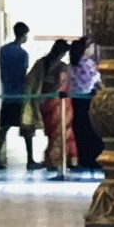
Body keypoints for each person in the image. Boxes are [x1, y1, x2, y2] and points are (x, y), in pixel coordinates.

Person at [0, 19, 37, 173]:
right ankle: (30, 159)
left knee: (4, 127)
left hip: (8, 93)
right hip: (20, 94)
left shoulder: (3, 50)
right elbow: (23, 73)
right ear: (23, 35)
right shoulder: (23, 54)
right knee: (27, 128)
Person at [66, 35, 103, 174]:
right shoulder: (87, 64)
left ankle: (82, 158)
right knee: (91, 130)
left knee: (79, 130)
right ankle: (92, 159)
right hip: (88, 100)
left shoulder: (72, 63)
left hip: (75, 100)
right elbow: (96, 82)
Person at [35, 37, 72, 172]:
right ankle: (56, 159)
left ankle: (51, 159)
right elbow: (60, 84)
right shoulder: (62, 67)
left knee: (52, 134)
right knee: (59, 133)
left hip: (44, 101)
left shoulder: (42, 63)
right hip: (57, 102)